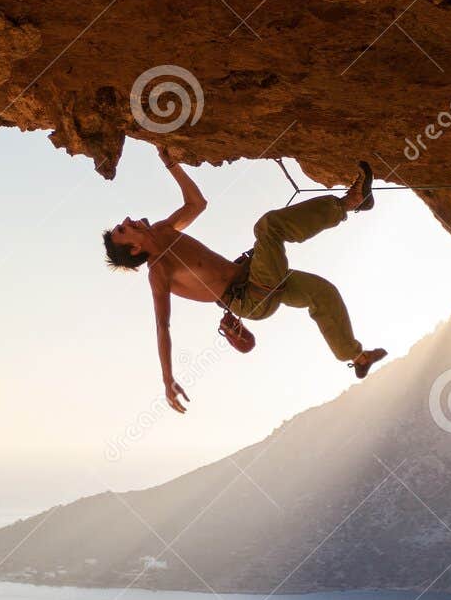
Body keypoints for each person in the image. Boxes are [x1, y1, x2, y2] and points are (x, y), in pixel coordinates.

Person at [102, 149, 388, 414]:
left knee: (323, 293)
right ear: (135, 249)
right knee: (269, 227)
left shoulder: (163, 230)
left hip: (253, 276)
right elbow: (162, 326)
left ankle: (356, 357)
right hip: (250, 299)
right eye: (123, 229)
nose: (127, 220)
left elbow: (197, 204)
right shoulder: (159, 271)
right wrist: (168, 380)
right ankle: (351, 202)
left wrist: (170, 163)